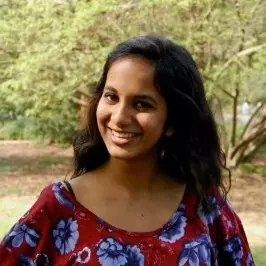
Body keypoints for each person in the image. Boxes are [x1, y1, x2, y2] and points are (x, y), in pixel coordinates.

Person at [0, 35, 254, 265]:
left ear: (173, 122)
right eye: (111, 97)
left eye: (142, 104)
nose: (119, 117)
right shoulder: (58, 208)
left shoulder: (206, 206)